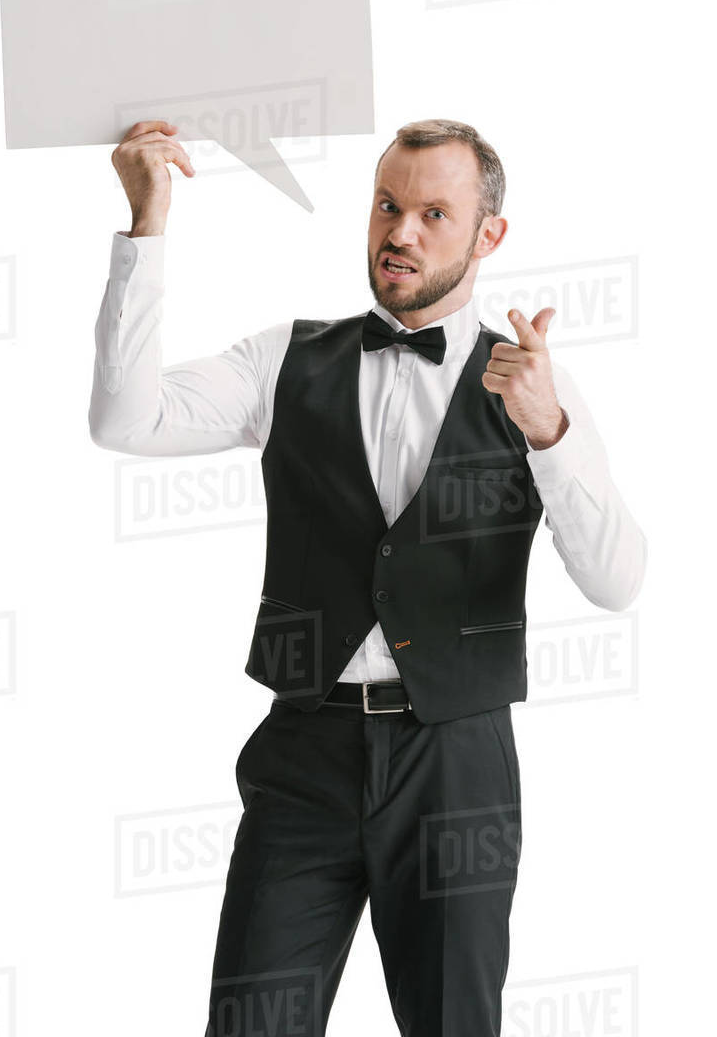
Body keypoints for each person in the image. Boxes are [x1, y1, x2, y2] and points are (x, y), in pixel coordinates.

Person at [89, 117, 647, 1037]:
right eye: (388, 205)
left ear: (488, 236)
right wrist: (145, 227)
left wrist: (549, 432)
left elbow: (618, 579)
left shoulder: (530, 388)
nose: (400, 233)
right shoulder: (283, 360)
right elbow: (125, 418)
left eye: (434, 213)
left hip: (453, 767)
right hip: (304, 754)